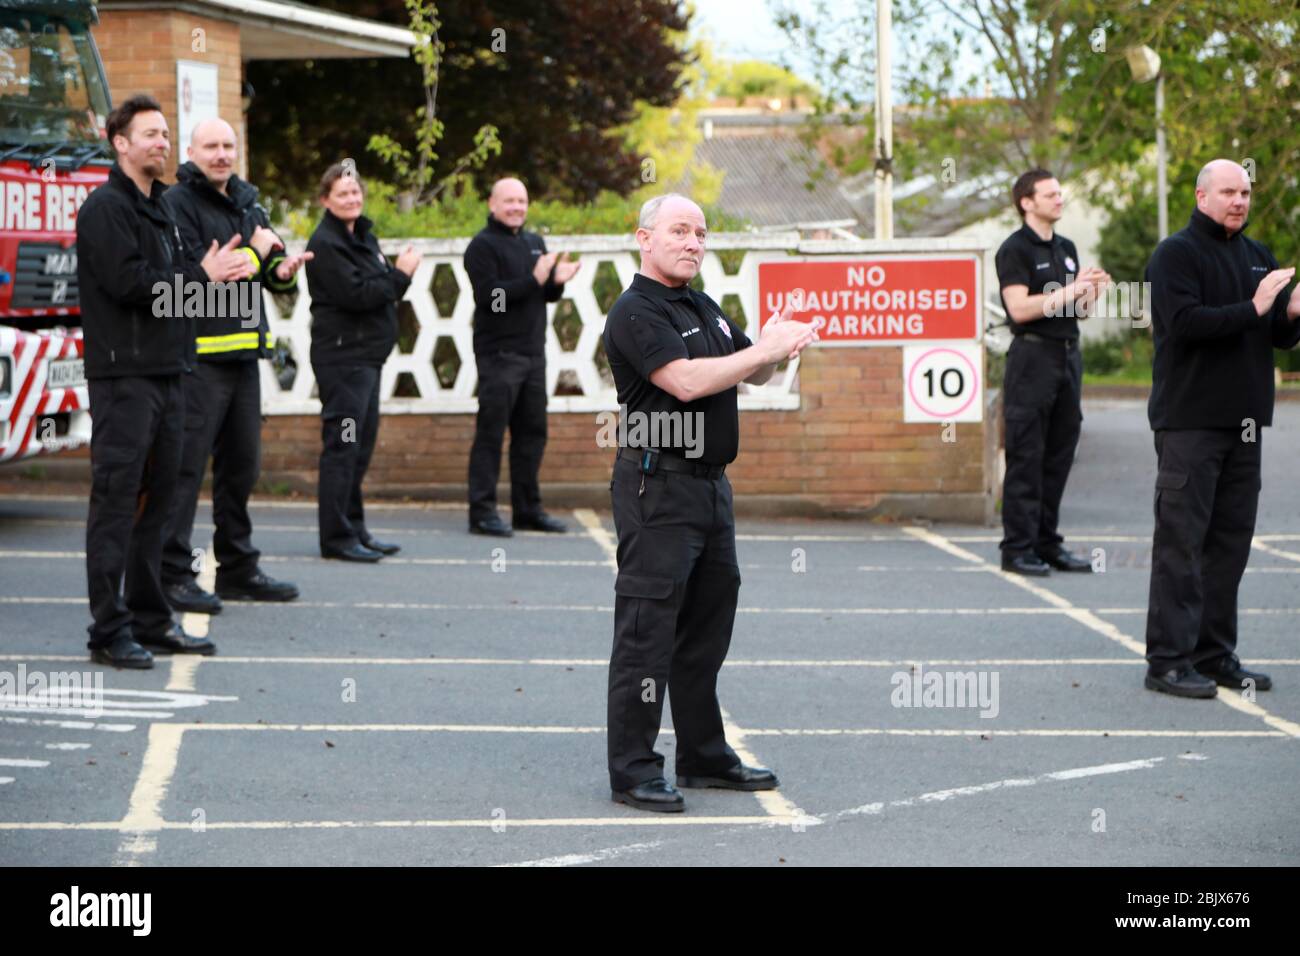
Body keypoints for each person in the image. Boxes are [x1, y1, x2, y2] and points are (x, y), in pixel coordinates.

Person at [601, 193, 816, 812]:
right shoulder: (637, 312)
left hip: (710, 488)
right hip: (656, 489)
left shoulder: (701, 305)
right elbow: (688, 382)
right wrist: (762, 352)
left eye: (700, 232)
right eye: (679, 231)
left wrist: (775, 345)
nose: (694, 242)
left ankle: (703, 756)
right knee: (647, 635)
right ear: (644, 238)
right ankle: (634, 770)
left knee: (705, 633)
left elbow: (754, 373)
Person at [77, 94, 252, 667]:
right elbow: (136, 288)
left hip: (173, 373)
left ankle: (152, 618)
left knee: (160, 504)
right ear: (120, 143)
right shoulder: (106, 209)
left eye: (165, 134)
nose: (162, 142)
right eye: (150, 134)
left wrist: (207, 278)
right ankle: (109, 630)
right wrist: (202, 277)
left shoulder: (164, 211)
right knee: (117, 504)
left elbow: (179, 287)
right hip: (125, 379)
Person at [1143, 159, 1300, 699]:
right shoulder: (1175, 255)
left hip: (1247, 426)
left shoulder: (1258, 257)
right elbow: (1184, 325)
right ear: (1201, 195)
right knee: (1181, 545)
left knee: (1229, 545)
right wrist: (1256, 306)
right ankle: (1167, 661)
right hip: (1190, 422)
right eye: (1229, 192)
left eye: (1246, 192)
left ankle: (1213, 655)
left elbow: (1273, 334)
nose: (1239, 201)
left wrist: (1291, 312)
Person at [160, 118, 309, 613]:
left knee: (241, 469)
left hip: (246, 357)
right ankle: (170, 575)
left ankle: (238, 569)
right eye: (211, 146)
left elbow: (266, 273)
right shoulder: (176, 205)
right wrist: (253, 252)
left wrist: (282, 272)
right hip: (199, 359)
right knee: (183, 472)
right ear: (191, 151)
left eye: (228, 146)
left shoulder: (249, 201)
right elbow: (192, 279)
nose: (221, 154)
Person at [994, 168, 1111, 576]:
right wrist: (1071, 290)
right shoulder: (1015, 249)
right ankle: (1017, 548)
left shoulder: (1066, 247)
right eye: (1050, 195)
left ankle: (1047, 542)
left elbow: (1077, 309)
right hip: (1032, 359)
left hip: (1067, 355)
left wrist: (1091, 291)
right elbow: (1020, 309)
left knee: (1060, 453)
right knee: (1027, 454)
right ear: (1027, 202)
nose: (1059, 200)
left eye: (1061, 193)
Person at [305, 163, 420, 562]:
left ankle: (355, 528)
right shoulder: (326, 244)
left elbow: (377, 285)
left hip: (368, 359)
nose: (352, 199)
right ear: (326, 200)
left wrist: (392, 279)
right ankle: (336, 537)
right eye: (342, 194)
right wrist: (401, 276)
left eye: (355, 193)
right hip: (343, 361)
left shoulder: (361, 236)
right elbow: (360, 294)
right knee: (344, 444)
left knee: (360, 445)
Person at [463, 177, 579, 537]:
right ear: (492, 204)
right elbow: (491, 299)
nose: (517, 207)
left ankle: (527, 510)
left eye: (522, 201)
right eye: (509, 201)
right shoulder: (480, 247)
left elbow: (542, 295)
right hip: (499, 354)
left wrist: (556, 281)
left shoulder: (534, 242)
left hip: (533, 353)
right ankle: (482, 512)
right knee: (491, 433)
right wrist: (535, 279)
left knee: (532, 434)